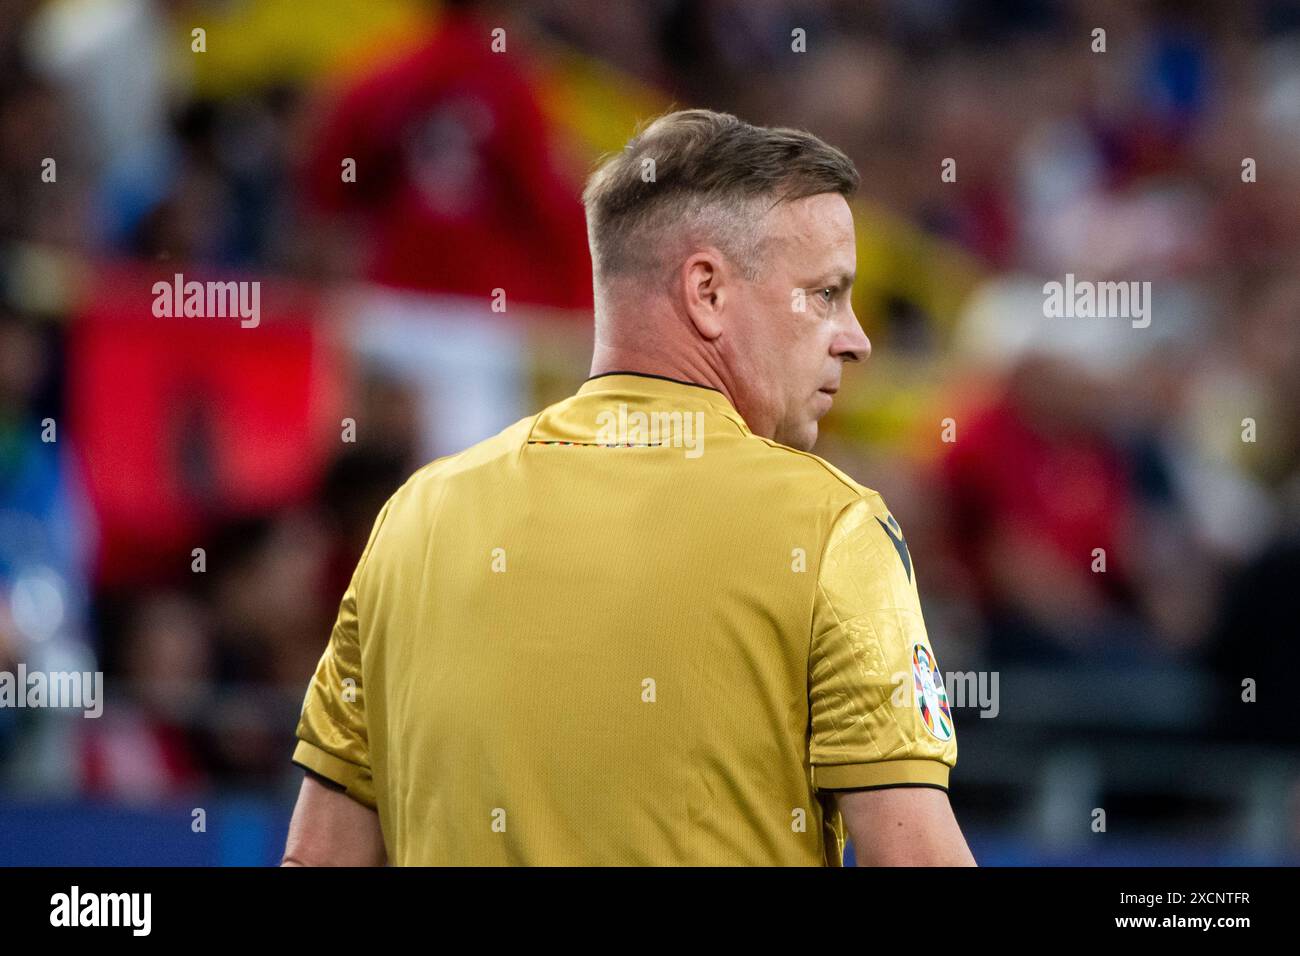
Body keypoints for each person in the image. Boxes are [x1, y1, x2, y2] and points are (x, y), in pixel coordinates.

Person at [283, 109, 976, 866]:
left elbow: (319, 858)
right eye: (825, 293)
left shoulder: (414, 518)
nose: (856, 336)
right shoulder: (830, 528)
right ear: (707, 292)